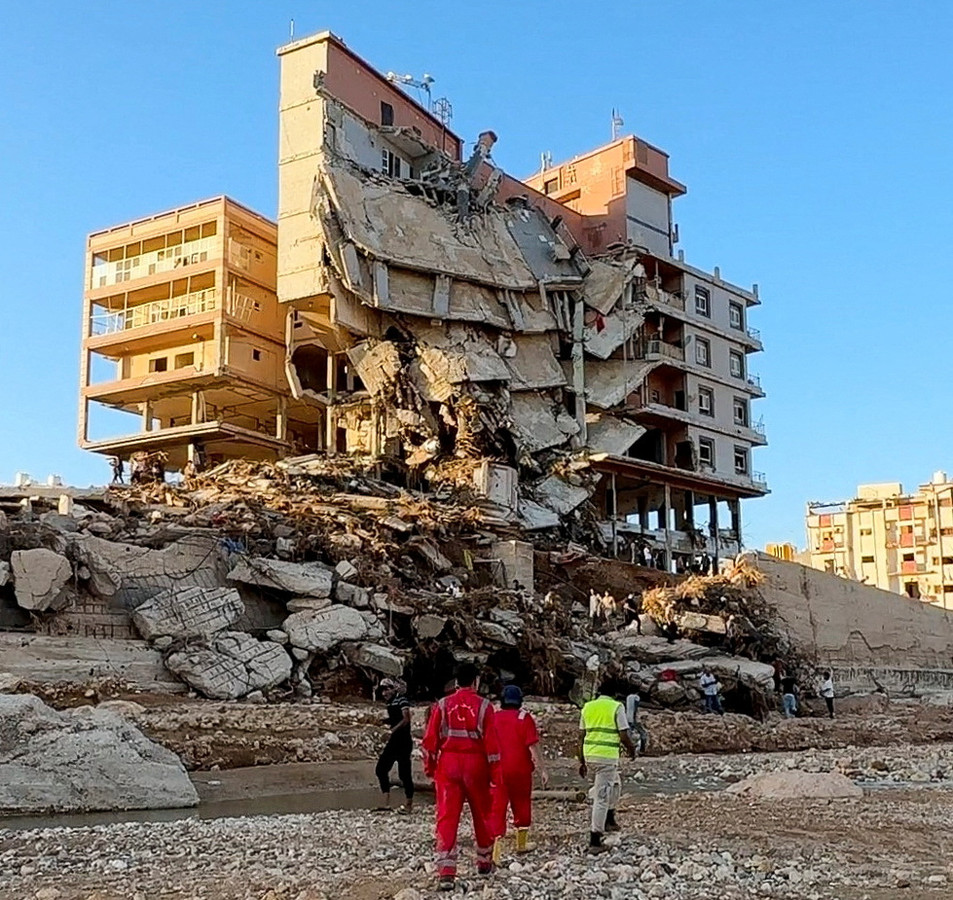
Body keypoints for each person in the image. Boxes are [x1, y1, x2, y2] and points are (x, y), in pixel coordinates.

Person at [422, 662, 500, 891]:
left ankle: (446, 872)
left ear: (456, 682)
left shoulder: (443, 705)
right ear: (476, 681)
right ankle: (484, 862)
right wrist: (495, 775)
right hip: (476, 765)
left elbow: (429, 741)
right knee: (482, 813)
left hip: (448, 765)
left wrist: (430, 768)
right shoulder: (485, 707)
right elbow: (492, 746)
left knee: (447, 818)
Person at [490, 685, 548, 863]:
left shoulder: (493, 717)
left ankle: (495, 853)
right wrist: (542, 769)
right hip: (520, 770)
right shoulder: (525, 718)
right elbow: (533, 746)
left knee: (497, 807)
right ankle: (521, 844)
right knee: (522, 804)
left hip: (497, 770)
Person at [578, 681, 637, 853]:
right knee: (601, 797)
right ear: (614, 695)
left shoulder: (588, 707)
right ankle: (595, 839)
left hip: (590, 755)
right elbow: (623, 734)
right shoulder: (616, 707)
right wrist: (632, 750)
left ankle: (610, 818)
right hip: (606, 758)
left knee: (615, 784)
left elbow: (580, 736)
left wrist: (581, 761)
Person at [375, 678, 414, 813]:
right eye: (383, 691)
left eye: (387, 689)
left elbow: (406, 719)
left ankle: (408, 805)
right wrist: (384, 722)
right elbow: (396, 719)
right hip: (394, 741)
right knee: (381, 769)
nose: (385, 693)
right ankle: (386, 803)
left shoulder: (402, 700)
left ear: (393, 689)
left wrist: (391, 731)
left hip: (403, 742)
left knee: (405, 774)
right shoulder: (391, 703)